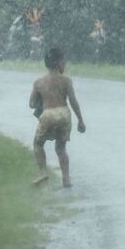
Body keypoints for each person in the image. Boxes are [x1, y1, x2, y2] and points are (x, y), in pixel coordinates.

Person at [29, 47, 86, 187]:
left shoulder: (38, 82)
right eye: (64, 62)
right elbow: (73, 101)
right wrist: (80, 120)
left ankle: (43, 172)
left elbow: (31, 104)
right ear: (59, 62)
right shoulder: (66, 81)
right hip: (64, 113)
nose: (65, 65)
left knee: (37, 144)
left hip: (48, 114)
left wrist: (41, 101)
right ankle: (66, 179)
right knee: (61, 148)